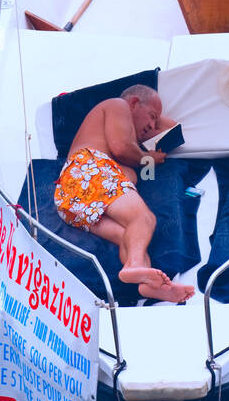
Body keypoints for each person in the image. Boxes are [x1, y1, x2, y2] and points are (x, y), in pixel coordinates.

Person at [53, 84, 194, 303]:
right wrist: (148, 158)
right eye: (152, 116)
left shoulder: (129, 149)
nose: (152, 125)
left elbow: (170, 130)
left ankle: (148, 285)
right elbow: (121, 147)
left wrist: (149, 147)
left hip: (73, 198)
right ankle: (135, 266)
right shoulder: (117, 106)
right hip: (88, 171)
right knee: (143, 218)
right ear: (135, 103)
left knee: (128, 236)